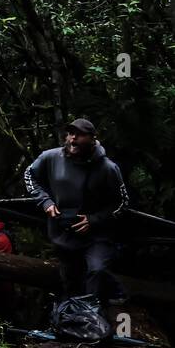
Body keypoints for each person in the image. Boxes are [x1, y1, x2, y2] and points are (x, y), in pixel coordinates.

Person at [24, 118, 129, 305]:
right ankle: (74, 317)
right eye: (71, 133)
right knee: (71, 280)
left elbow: (121, 203)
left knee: (96, 270)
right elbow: (29, 175)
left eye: (79, 135)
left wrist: (94, 220)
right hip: (63, 234)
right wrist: (45, 201)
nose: (73, 139)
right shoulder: (51, 157)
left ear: (92, 138)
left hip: (97, 236)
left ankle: (93, 313)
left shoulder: (107, 168)